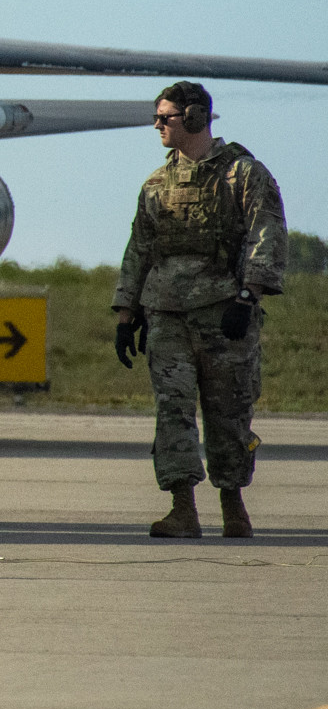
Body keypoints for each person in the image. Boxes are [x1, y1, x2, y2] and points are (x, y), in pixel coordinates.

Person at [116, 80, 287, 540]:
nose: (157, 126)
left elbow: (265, 237)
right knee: (172, 409)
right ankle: (182, 509)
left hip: (224, 313)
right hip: (167, 314)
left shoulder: (244, 175)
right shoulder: (156, 183)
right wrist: (125, 314)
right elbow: (140, 248)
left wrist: (248, 297)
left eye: (165, 118)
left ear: (194, 118)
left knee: (229, 412)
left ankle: (234, 506)